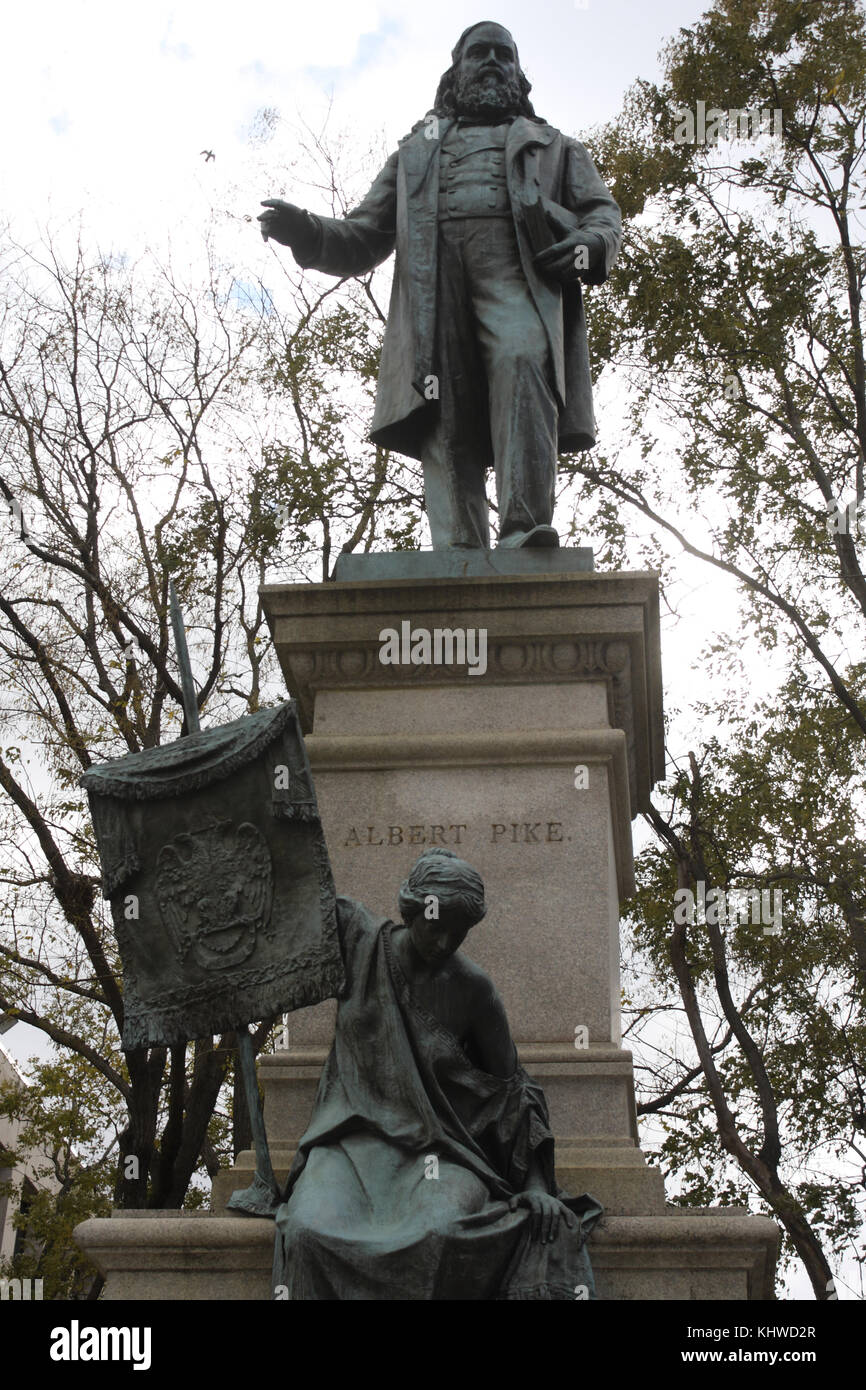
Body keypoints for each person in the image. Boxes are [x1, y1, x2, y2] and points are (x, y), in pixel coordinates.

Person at [258, 21, 622, 551]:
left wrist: (590, 244)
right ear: (457, 71)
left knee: (524, 361)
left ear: (520, 73)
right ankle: (458, 550)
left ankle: (524, 528)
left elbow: (603, 216)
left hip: (517, 278)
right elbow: (363, 235)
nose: (494, 61)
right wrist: (309, 232)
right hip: (436, 290)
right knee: (444, 405)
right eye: (480, 53)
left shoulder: (558, 148)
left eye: (505, 54)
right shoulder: (415, 153)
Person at [272, 848, 602, 1300]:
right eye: (435, 924)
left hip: (442, 1152)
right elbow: (282, 908)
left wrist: (537, 1185)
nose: (445, 942)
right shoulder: (356, 940)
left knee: (438, 1234)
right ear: (411, 908)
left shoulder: (473, 990)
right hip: (350, 1145)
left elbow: (513, 1093)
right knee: (308, 1231)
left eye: (458, 932)